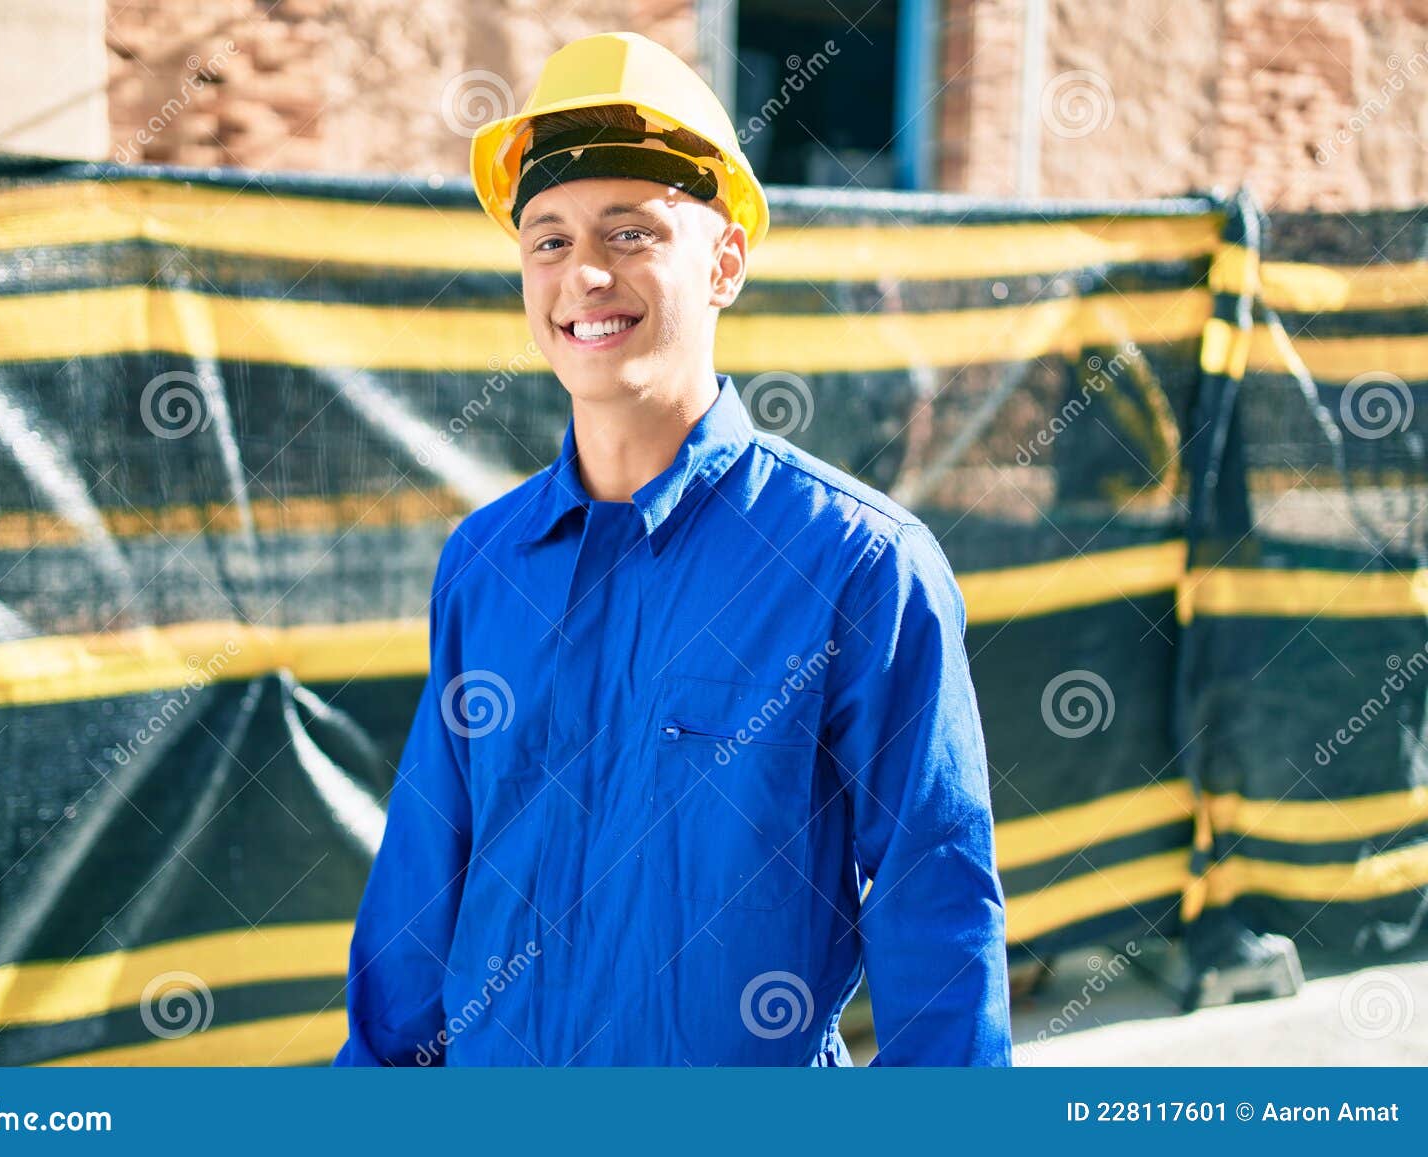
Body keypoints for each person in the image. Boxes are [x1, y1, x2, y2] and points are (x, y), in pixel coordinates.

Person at [333, 30, 1011, 1067]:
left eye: (630, 232)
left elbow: (938, 917)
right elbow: (420, 895)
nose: (583, 274)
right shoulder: (486, 563)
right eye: (548, 240)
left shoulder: (856, 566)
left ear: (724, 262)